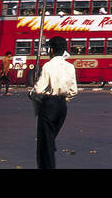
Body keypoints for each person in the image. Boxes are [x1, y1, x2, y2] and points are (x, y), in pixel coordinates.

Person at [33, 36, 78, 170]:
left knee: (45, 145)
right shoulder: (70, 66)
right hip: (62, 107)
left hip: (49, 106)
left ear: (51, 50)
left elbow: (39, 89)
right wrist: (63, 99)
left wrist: (32, 95)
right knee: (50, 140)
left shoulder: (48, 66)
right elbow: (74, 90)